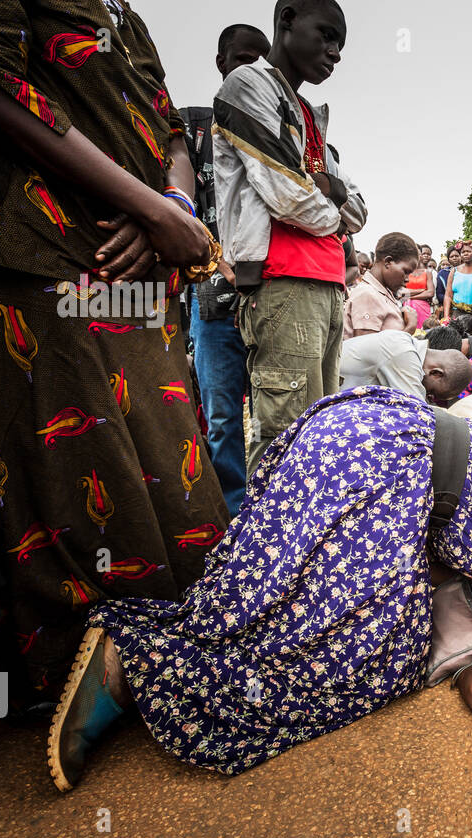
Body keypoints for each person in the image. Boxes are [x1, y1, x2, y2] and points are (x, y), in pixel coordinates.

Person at [0, 0, 228, 696]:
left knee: (168, 456)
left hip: (133, 263)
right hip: (36, 252)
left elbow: (169, 125)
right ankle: (88, 662)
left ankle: (162, 646)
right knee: (75, 463)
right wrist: (146, 209)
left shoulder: (120, 10)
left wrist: (171, 205)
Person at [46, 387, 472, 788]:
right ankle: (138, 663)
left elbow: (440, 535)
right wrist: (463, 663)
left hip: (353, 425)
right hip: (386, 468)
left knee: (259, 588)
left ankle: (147, 638)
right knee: (368, 655)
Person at [215, 0, 366, 476]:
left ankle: (303, 544)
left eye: (339, 43)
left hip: (326, 282)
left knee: (319, 434)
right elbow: (287, 196)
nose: (335, 53)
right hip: (282, 280)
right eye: (326, 35)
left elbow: (359, 209)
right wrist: (328, 200)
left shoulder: (309, 115)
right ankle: (267, 547)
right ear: (287, 21)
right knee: (284, 436)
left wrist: (329, 189)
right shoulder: (247, 85)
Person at [181, 23, 272, 517]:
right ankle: (233, 513)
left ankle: (273, 513)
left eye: (262, 59)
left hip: (273, 299)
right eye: (242, 58)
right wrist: (221, 263)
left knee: (275, 412)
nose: (253, 68)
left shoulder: (282, 130)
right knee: (221, 415)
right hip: (214, 302)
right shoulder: (193, 127)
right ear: (221, 63)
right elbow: (179, 209)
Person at [338, 329, 472, 403]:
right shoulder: (403, 354)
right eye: (431, 393)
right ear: (436, 373)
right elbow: (417, 414)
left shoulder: (406, 344)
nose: (428, 397)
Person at [343, 232, 420, 338]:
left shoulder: (383, 292)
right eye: (406, 271)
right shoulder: (367, 294)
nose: (407, 279)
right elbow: (367, 349)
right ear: (388, 262)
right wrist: (410, 328)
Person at [441, 240, 472, 324]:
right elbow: (448, 295)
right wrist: (446, 316)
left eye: (468, 251)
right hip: (456, 313)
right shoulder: (454, 271)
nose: (465, 253)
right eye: (463, 252)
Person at [402, 245, 436, 330]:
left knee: (425, 332)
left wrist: (410, 296)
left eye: (417, 253)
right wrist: (421, 290)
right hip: (407, 308)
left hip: (423, 308)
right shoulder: (405, 272)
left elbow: (430, 293)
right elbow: (401, 292)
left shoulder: (428, 272)